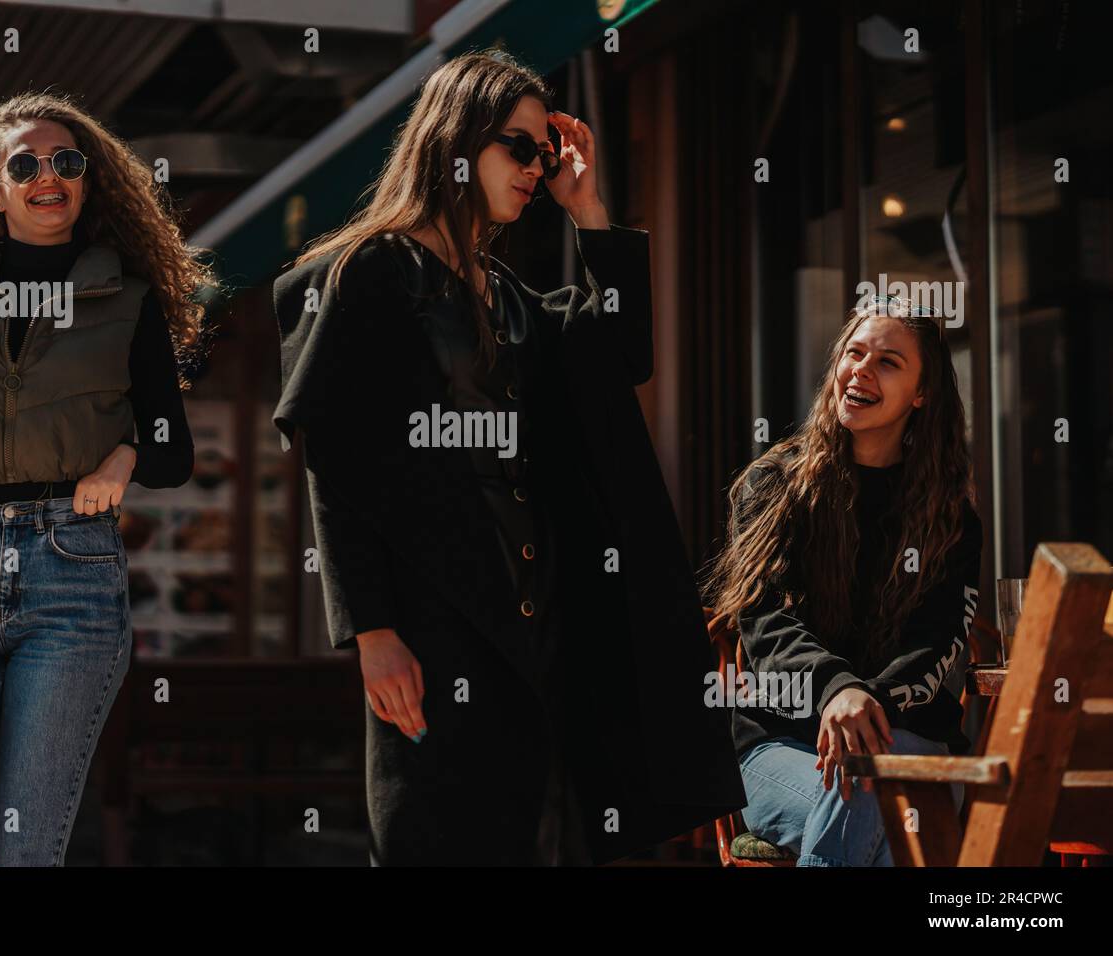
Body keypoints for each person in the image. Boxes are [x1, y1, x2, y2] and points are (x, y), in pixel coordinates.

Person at [272, 50, 745, 866]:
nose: (536, 169)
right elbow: (336, 463)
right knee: (440, 837)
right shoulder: (366, 275)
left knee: (547, 837)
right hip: (434, 622)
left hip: (546, 622)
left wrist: (587, 206)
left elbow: (622, 355)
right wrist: (372, 631)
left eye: (544, 153)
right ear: (457, 141)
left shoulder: (514, 302)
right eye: (518, 148)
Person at [0, 91, 211, 865]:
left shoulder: (128, 302)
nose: (47, 174)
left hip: (72, 579)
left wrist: (126, 457)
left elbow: (172, 447)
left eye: (66, 161)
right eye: (23, 164)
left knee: (23, 851)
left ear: (87, 182)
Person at [704, 295, 983, 866]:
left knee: (866, 783)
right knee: (875, 814)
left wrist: (866, 709)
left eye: (888, 362)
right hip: (779, 746)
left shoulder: (950, 519)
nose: (861, 368)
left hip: (910, 746)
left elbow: (935, 642)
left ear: (922, 394)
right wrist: (838, 688)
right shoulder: (773, 488)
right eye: (853, 353)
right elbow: (765, 622)